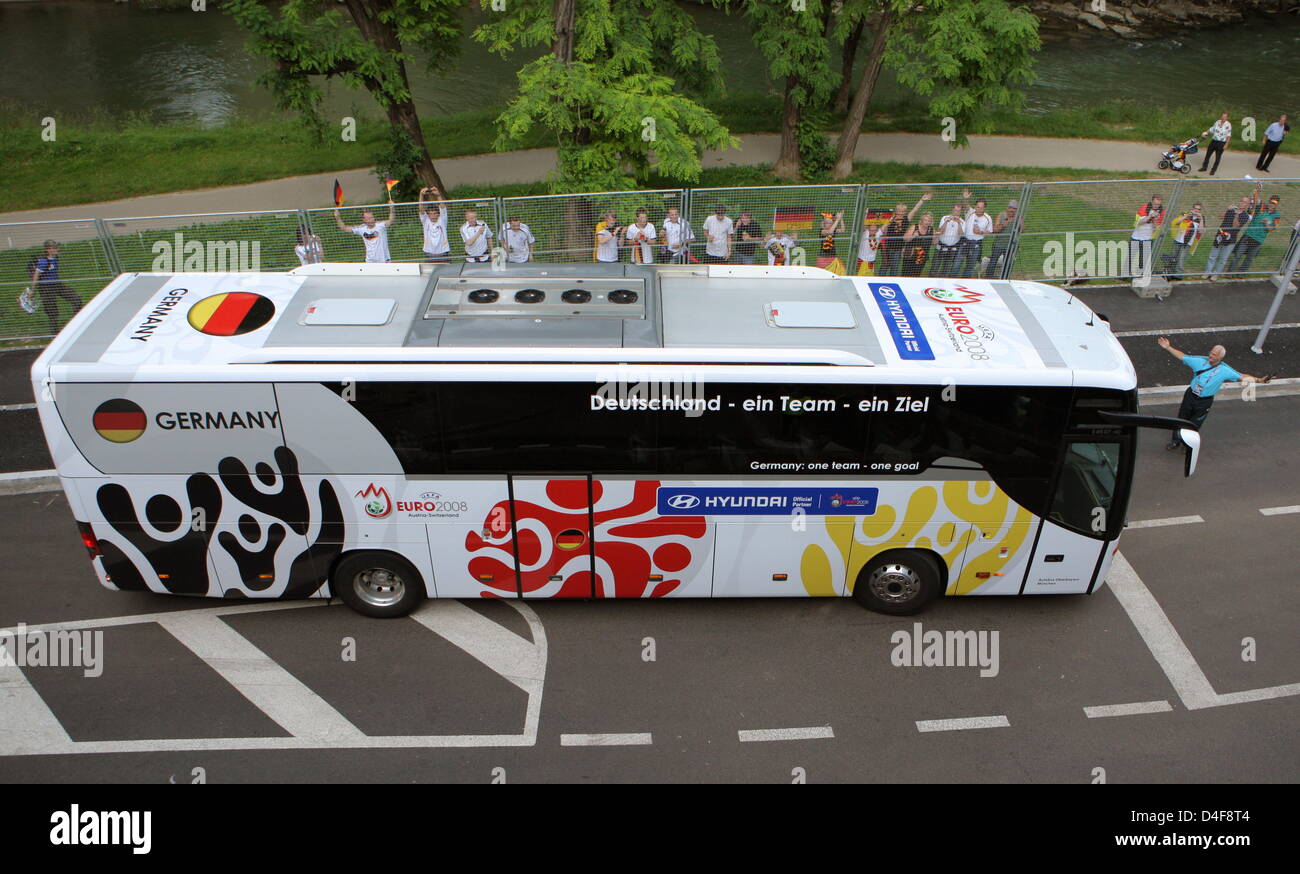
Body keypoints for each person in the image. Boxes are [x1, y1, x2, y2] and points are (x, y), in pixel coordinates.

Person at [1157, 337, 1270, 449]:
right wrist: (1168, 347)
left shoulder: (1225, 370)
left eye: (1214, 355)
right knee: (1181, 419)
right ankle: (1176, 441)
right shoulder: (1200, 361)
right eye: (1211, 352)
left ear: (1220, 357)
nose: (1211, 355)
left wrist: (1259, 380)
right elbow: (1182, 356)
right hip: (1190, 395)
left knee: (1195, 424)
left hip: (1204, 401)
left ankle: (1188, 444)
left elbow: (1242, 376)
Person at [28, 240, 83, 335]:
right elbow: (36, 275)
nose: (57, 249)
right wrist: (32, 291)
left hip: (57, 285)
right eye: (55, 248)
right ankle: (55, 334)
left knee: (77, 300)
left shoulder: (56, 257)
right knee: (52, 310)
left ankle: (74, 324)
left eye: (57, 247)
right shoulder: (44, 261)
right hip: (46, 288)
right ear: (48, 250)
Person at [1203, 194, 1254, 280]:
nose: (1242, 203)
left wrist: (1236, 215)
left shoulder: (1245, 215)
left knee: (1223, 258)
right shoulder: (1231, 210)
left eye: (1245, 202)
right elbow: (1220, 217)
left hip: (1231, 239)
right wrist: (1227, 209)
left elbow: (1236, 226)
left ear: (1248, 205)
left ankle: (1216, 274)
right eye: (1241, 201)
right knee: (1212, 255)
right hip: (1220, 235)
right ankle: (1208, 272)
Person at [1227, 194, 1280, 273]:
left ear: (1277, 205)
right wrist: (1256, 192)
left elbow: (1272, 229)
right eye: (1271, 202)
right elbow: (1257, 201)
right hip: (1248, 235)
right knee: (1238, 255)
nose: (1272, 205)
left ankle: (1241, 273)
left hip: (1259, 240)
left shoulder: (1277, 215)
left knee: (1250, 258)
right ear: (1268, 201)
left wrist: (1267, 223)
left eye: (1274, 204)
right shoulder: (1262, 207)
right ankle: (1230, 272)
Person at [878, 194, 931, 275]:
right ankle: (879, 281)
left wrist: (922, 200)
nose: (901, 213)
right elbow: (882, 230)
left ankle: (892, 282)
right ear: (896, 211)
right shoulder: (891, 219)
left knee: (894, 267)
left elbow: (915, 210)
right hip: (888, 247)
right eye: (899, 211)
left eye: (903, 211)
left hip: (898, 248)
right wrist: (889, 222)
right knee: (884, 266)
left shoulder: (906, 219)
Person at [334, 195, 395, 263]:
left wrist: (392, 209)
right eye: (368, 218)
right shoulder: (361, 229)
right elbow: (344, 228)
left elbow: (390, 220)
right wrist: (338, 218)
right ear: (364, 220)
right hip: (370, 261)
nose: (370, 220)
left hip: (384, 260)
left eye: (371, 217)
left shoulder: (381, 225)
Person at [1165, 202, 1204, 278]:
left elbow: (1201, 231)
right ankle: (1170, 273)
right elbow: (1176, 222)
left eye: (1198, 209)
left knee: (1181, 259)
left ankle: (1178, 276)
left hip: (1187, 243)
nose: (1196, 211)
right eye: (1195, 208)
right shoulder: (1185, 214)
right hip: (1178, 240)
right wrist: (1186, 216)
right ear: (1192, 208)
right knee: (1173, 257)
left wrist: (1201, 218)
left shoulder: (1200, 220)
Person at [983, 200, 1019, 279]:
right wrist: (1003, 225)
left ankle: (1004, 278)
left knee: (1008, 263)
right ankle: (988, 277)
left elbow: (1021, 230)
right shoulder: (1001, 215)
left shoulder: (1017, 218)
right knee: (993, 262)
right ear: (1008, 208)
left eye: (1014, 209)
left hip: (1010, 245)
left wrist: (1020, 222)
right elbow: (995, 230)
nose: (1012, 210)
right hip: (998, 244)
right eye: (1011, 208)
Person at [1129, 195, 1164, 277]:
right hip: (1136, 237)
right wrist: (1150, 216)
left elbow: (1156, 228)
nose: (1156, 206)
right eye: (1155, 204)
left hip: (1148, 239)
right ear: (1152, 201)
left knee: (1143, 258)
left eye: (1158, 204)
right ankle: (1125, 274)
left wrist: (1155, 220)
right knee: (1130, 256)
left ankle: (1139, 274)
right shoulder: (1143, 208)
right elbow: (1138, 223)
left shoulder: (1161, 212)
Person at [932, 197, 967, 277]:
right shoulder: (944, 218)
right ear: (952, 210)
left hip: (952, 248)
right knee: (935, 267)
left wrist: (958, 223)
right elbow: (940, 231)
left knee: (946, 268)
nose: (956, 212)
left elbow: (961, 234)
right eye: (955, 210)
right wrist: (946, 222)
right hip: (940, 246)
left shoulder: (963, 222)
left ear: (961, 212)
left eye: (958, 211)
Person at [957, 198, 992, 278]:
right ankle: (952, 279)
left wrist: (980, 232)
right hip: (965, 242)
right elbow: (966, 205)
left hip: (976, 244)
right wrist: (965, 197)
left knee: (970, 265)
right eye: (978, 207)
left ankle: (964, 282)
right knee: (957, 263)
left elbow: (989, 231)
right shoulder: (970, 213)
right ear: (975, 207)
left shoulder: (988, 218)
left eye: (981, 207)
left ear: (984, 208)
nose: (979, 209)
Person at [418, 185, 451, 262]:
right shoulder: (425, 220)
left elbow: (443, 208)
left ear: (438, 214)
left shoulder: (442, 220)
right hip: (429, 253)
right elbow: (421, 209)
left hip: (443, 253)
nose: (432, 215)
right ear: (428, 214)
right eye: (430, 213)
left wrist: (438, 195)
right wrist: (421, 195)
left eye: (434, 213)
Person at [900, 210, 935, 276]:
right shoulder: (914, 227)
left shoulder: (931, 230)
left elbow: (934, 243)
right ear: (921, 220)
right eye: (925, 220)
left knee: (916, 274)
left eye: (929, 221)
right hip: (910, 256)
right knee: (906, 274)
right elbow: (905, 239)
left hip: (921, 257)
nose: (927, 222)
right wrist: (913, 236)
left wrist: (937, 236)